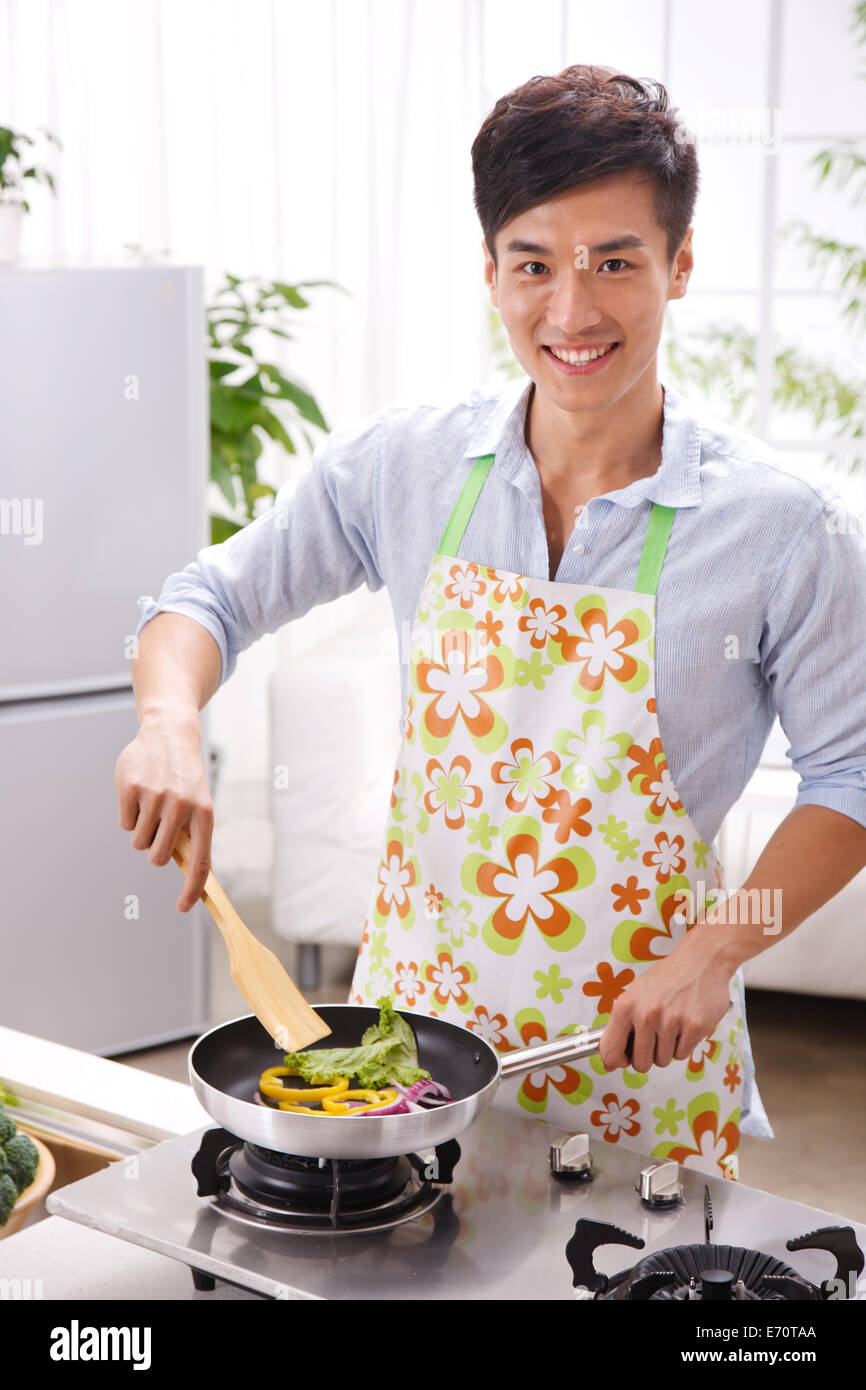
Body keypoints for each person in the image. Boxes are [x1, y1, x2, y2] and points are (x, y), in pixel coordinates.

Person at [115, 65, 866, 1178]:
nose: (570, 311)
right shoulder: (406, 466)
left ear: (681, 264)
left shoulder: (778, 529)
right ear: (490, 270)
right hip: (407, 1065)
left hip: (642, 1059)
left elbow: (848, 775)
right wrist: (168, 719)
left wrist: (715, 950)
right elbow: (207, 599)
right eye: (534, 264)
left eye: (614, 261)